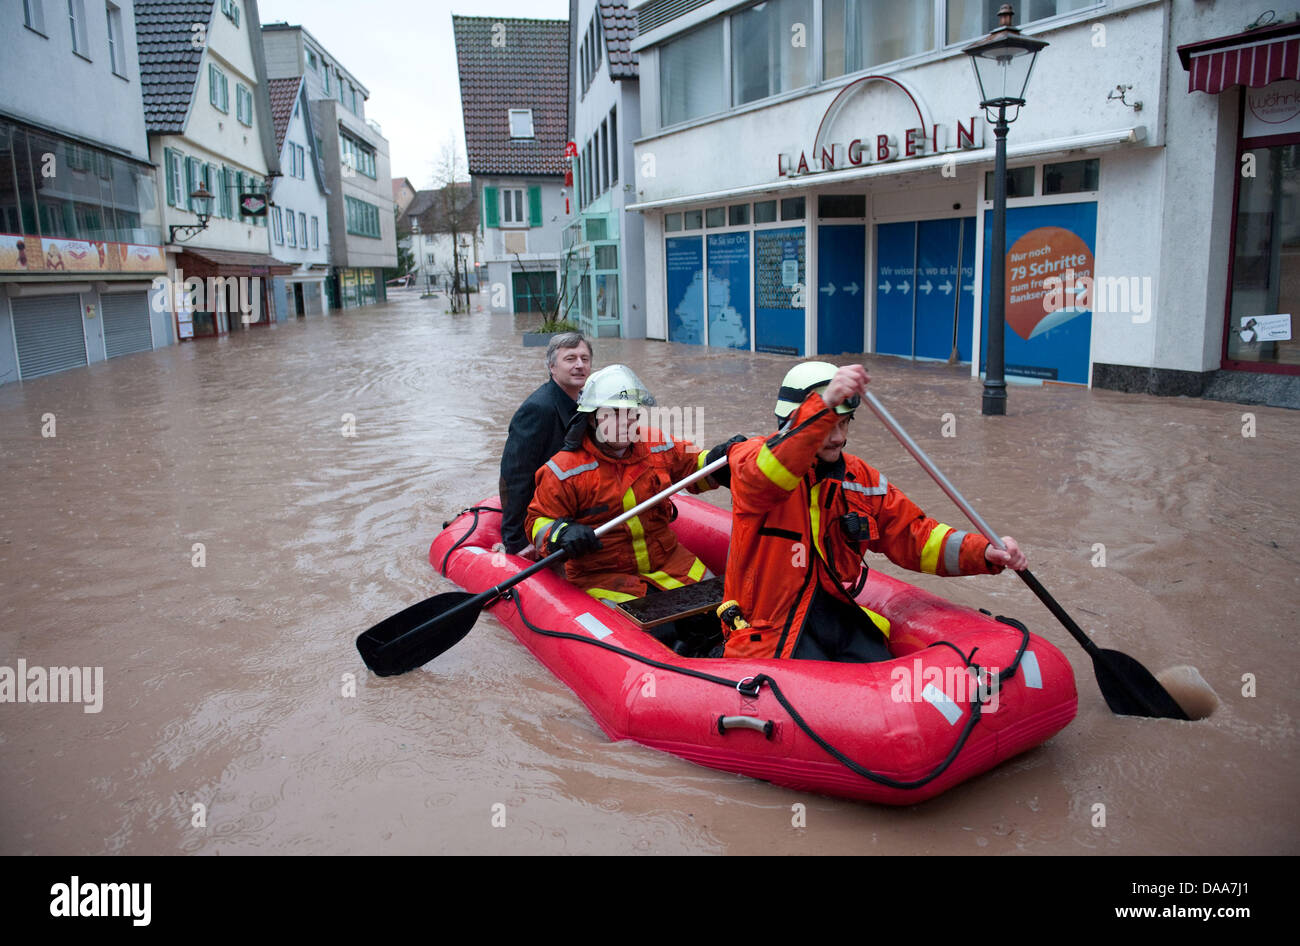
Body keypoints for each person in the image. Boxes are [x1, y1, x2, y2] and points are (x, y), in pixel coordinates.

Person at [718, 361, 1027, 662]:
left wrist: (984, 552)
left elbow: (916, 537)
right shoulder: (752, 461)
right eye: (828, 425)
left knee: (881, 674)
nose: (838, 436)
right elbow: (768, 474)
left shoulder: (861, 480)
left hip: (834, 613)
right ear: (791, 422)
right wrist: (823, 406)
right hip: (771, 630)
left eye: (844, 422)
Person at [525, 364, 737, 605]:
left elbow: (694, 465)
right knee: (659, 636)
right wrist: (562, 533)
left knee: (723, 613)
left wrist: (720, 459)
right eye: (613, 413)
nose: (624, 422)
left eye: (630, 413)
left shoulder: (656, 443)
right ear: (593, 419)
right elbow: (537, 521)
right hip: (604, 578)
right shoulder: (564, 470)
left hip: (671, 563)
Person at [498, 332, 593, 556]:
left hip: (572, 504)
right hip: (543, 513)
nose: (580, 365)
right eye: (570, 359)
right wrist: (517, 541)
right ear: (552, 367)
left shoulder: (587, 402)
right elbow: (515, 477)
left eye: (585, 359)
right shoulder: (538, 409)